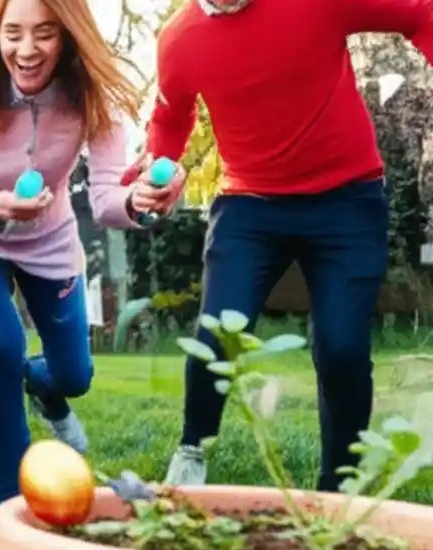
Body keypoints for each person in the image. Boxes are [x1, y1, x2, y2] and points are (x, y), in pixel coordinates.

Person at [146, 0, 433, 490]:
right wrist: (162, 165)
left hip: (347, 200)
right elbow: (170, 118)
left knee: (341, 346)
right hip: (250, 207)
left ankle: (337, 488)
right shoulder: (180, 39)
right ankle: (192, 451)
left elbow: (419, 15)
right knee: (217, 333)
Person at [0, 0, 173, 506]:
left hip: (49, 242)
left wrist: (137, 200)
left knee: (73, 376)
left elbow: (107, 200)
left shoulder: (92, 99)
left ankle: (40, 385)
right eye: (12, 33)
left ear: (67, 36)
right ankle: (12, 499)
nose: (25, 50)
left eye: (43, 33)